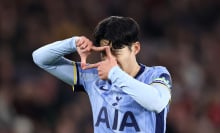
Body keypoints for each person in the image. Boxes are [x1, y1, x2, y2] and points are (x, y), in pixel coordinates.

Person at [32, 16, 172, 133]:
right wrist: (73, 43)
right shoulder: (93, 76)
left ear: (135, 48)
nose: (110, 59)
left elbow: (157, 103)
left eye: (116, 50)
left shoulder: (156, 75)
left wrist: (114, 74)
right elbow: (41, 58)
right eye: (104, 52)